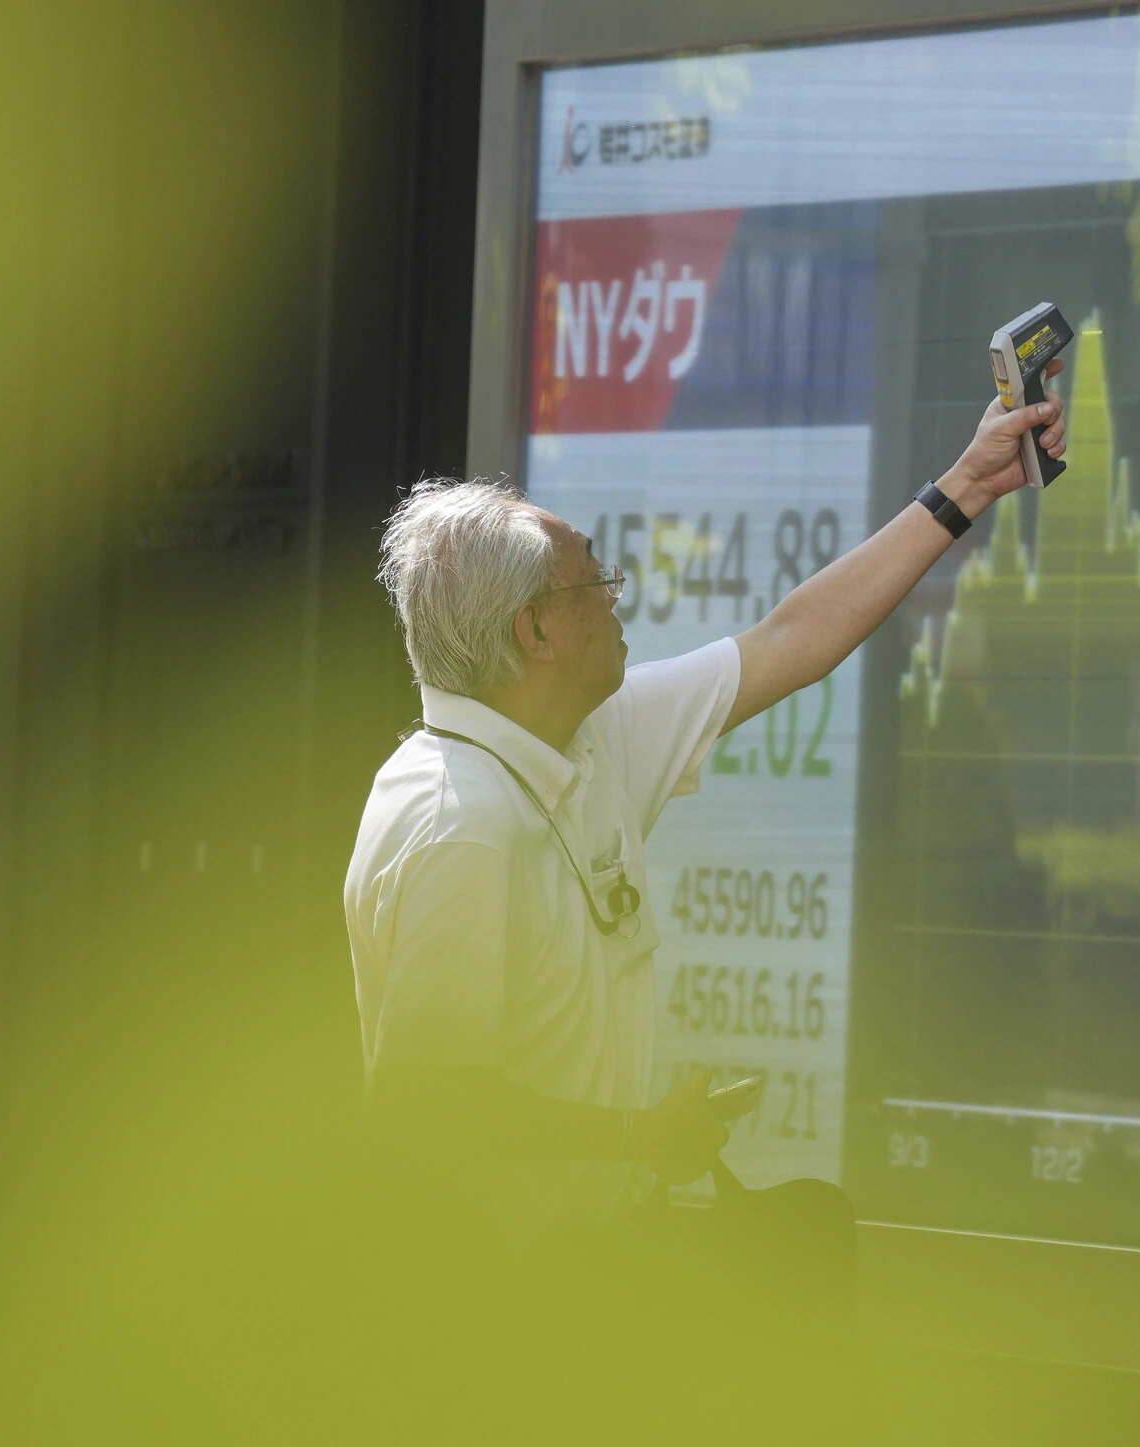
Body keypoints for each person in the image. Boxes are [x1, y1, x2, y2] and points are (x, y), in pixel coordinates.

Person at [345, 376, 1067, 1243]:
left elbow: (789, 641)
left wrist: (970, 486)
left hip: (593, 1262)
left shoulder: (580, 736)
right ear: (534, 632)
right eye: (593, 581)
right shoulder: (462, 824)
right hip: (502, 1309)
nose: (617, 595)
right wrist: (633, 1136)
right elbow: (426, 1104)